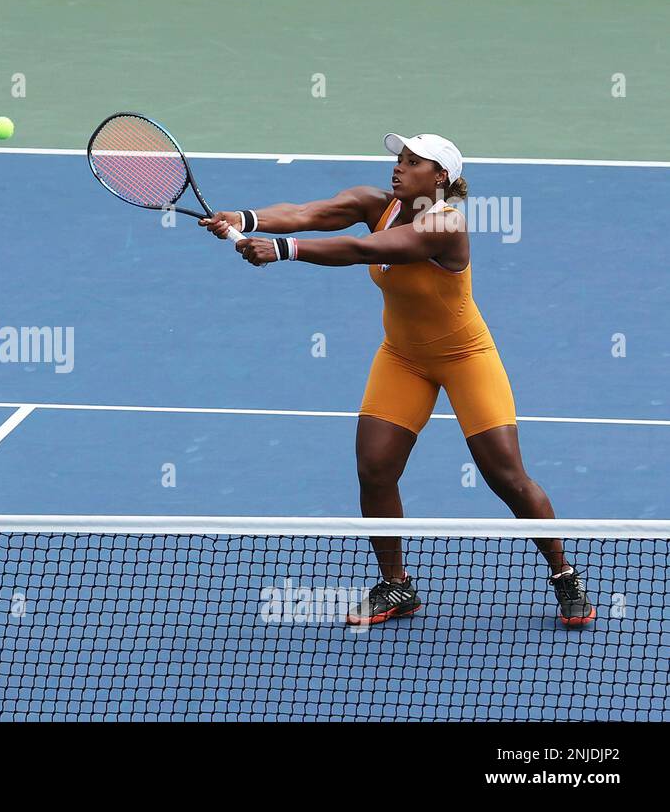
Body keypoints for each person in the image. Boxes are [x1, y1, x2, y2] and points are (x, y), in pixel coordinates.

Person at [201, 133, 594, 627]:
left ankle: (563, 573)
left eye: (413, 162)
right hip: (402, 357)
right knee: (375, 470)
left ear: (440, 177)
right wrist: (245, 219)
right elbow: (307, 212)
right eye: (400, 159)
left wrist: (283, 250)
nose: (399, 168)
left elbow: (363, 248)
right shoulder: (376, 203)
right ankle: (396, 585)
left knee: (506, 477)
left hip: (465, 358)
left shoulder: (445, 224)